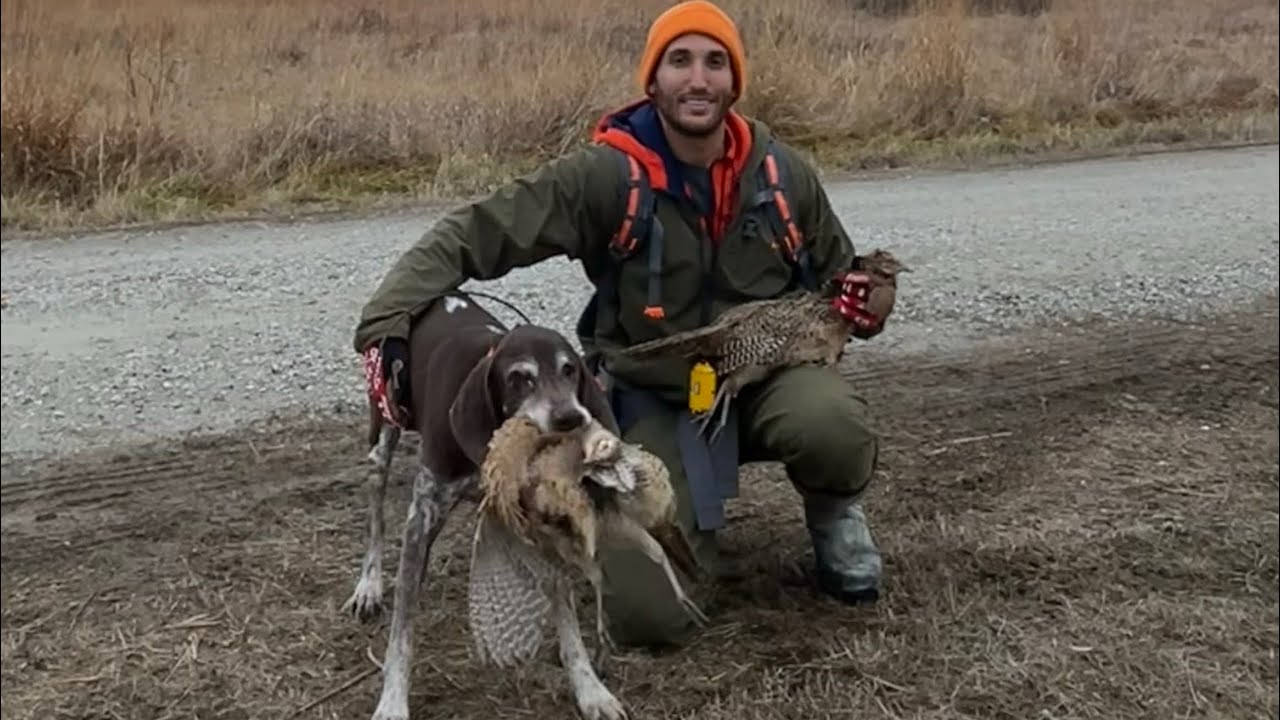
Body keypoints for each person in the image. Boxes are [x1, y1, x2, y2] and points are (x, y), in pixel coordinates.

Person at [353, 0, 891, 648]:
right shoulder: (609, 177)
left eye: (716, 62)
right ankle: (686, 532)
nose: (698, 79)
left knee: (830, 423)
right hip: (656, 393)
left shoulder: (782, 177)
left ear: (735, 80)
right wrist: (386, 321)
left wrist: (872, 301)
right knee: (647, 620)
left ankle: (834, 513)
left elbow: (844, 284)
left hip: (766, 383)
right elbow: (478, 231)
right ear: (653, 79)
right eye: (680, 61)